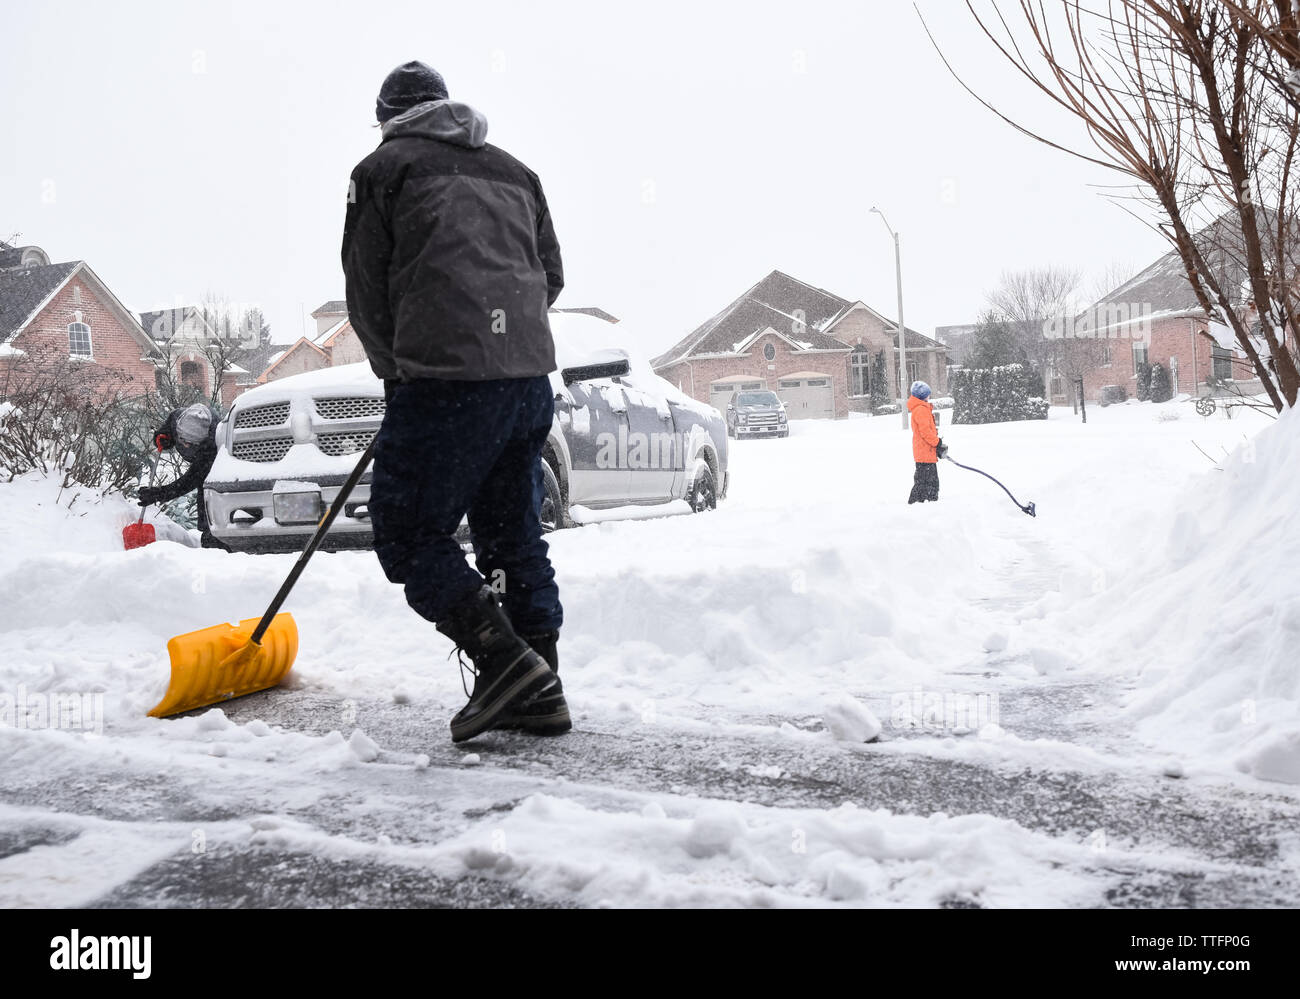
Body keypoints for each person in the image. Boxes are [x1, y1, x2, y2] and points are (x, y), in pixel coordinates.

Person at [341, 60, 569, 744]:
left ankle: (504, 664)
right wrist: (501, 342)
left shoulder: (382, 171)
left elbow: (366, 293)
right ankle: (542, 687)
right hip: (526, 380)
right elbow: (549, 275)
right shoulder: (515, 171)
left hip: (443, 379)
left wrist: (401, 370)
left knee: (409, 533)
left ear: (387, 119)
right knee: (511, 532)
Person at [140, 402, 230, 550]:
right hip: (199, 462)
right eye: (184, 440)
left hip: (216, 474)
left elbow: (192, 479)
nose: (186, 446)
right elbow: (165, 430)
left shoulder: (214, 440)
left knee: (210, 511)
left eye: (192, 443)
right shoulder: (177, 418)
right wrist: (162, 437)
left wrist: (160, 493)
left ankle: (214, 543)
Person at [907, 380, 947, 504]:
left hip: (924, 452)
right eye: (928, 394)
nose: (929, 396)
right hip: (925, 452)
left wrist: (936, 443)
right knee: (929, 484)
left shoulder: (921, 409)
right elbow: (926, 432)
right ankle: (924, 505)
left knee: (923, 482)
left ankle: (919, 504)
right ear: (923, 395)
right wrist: (937, 442)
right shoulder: (921, 410)